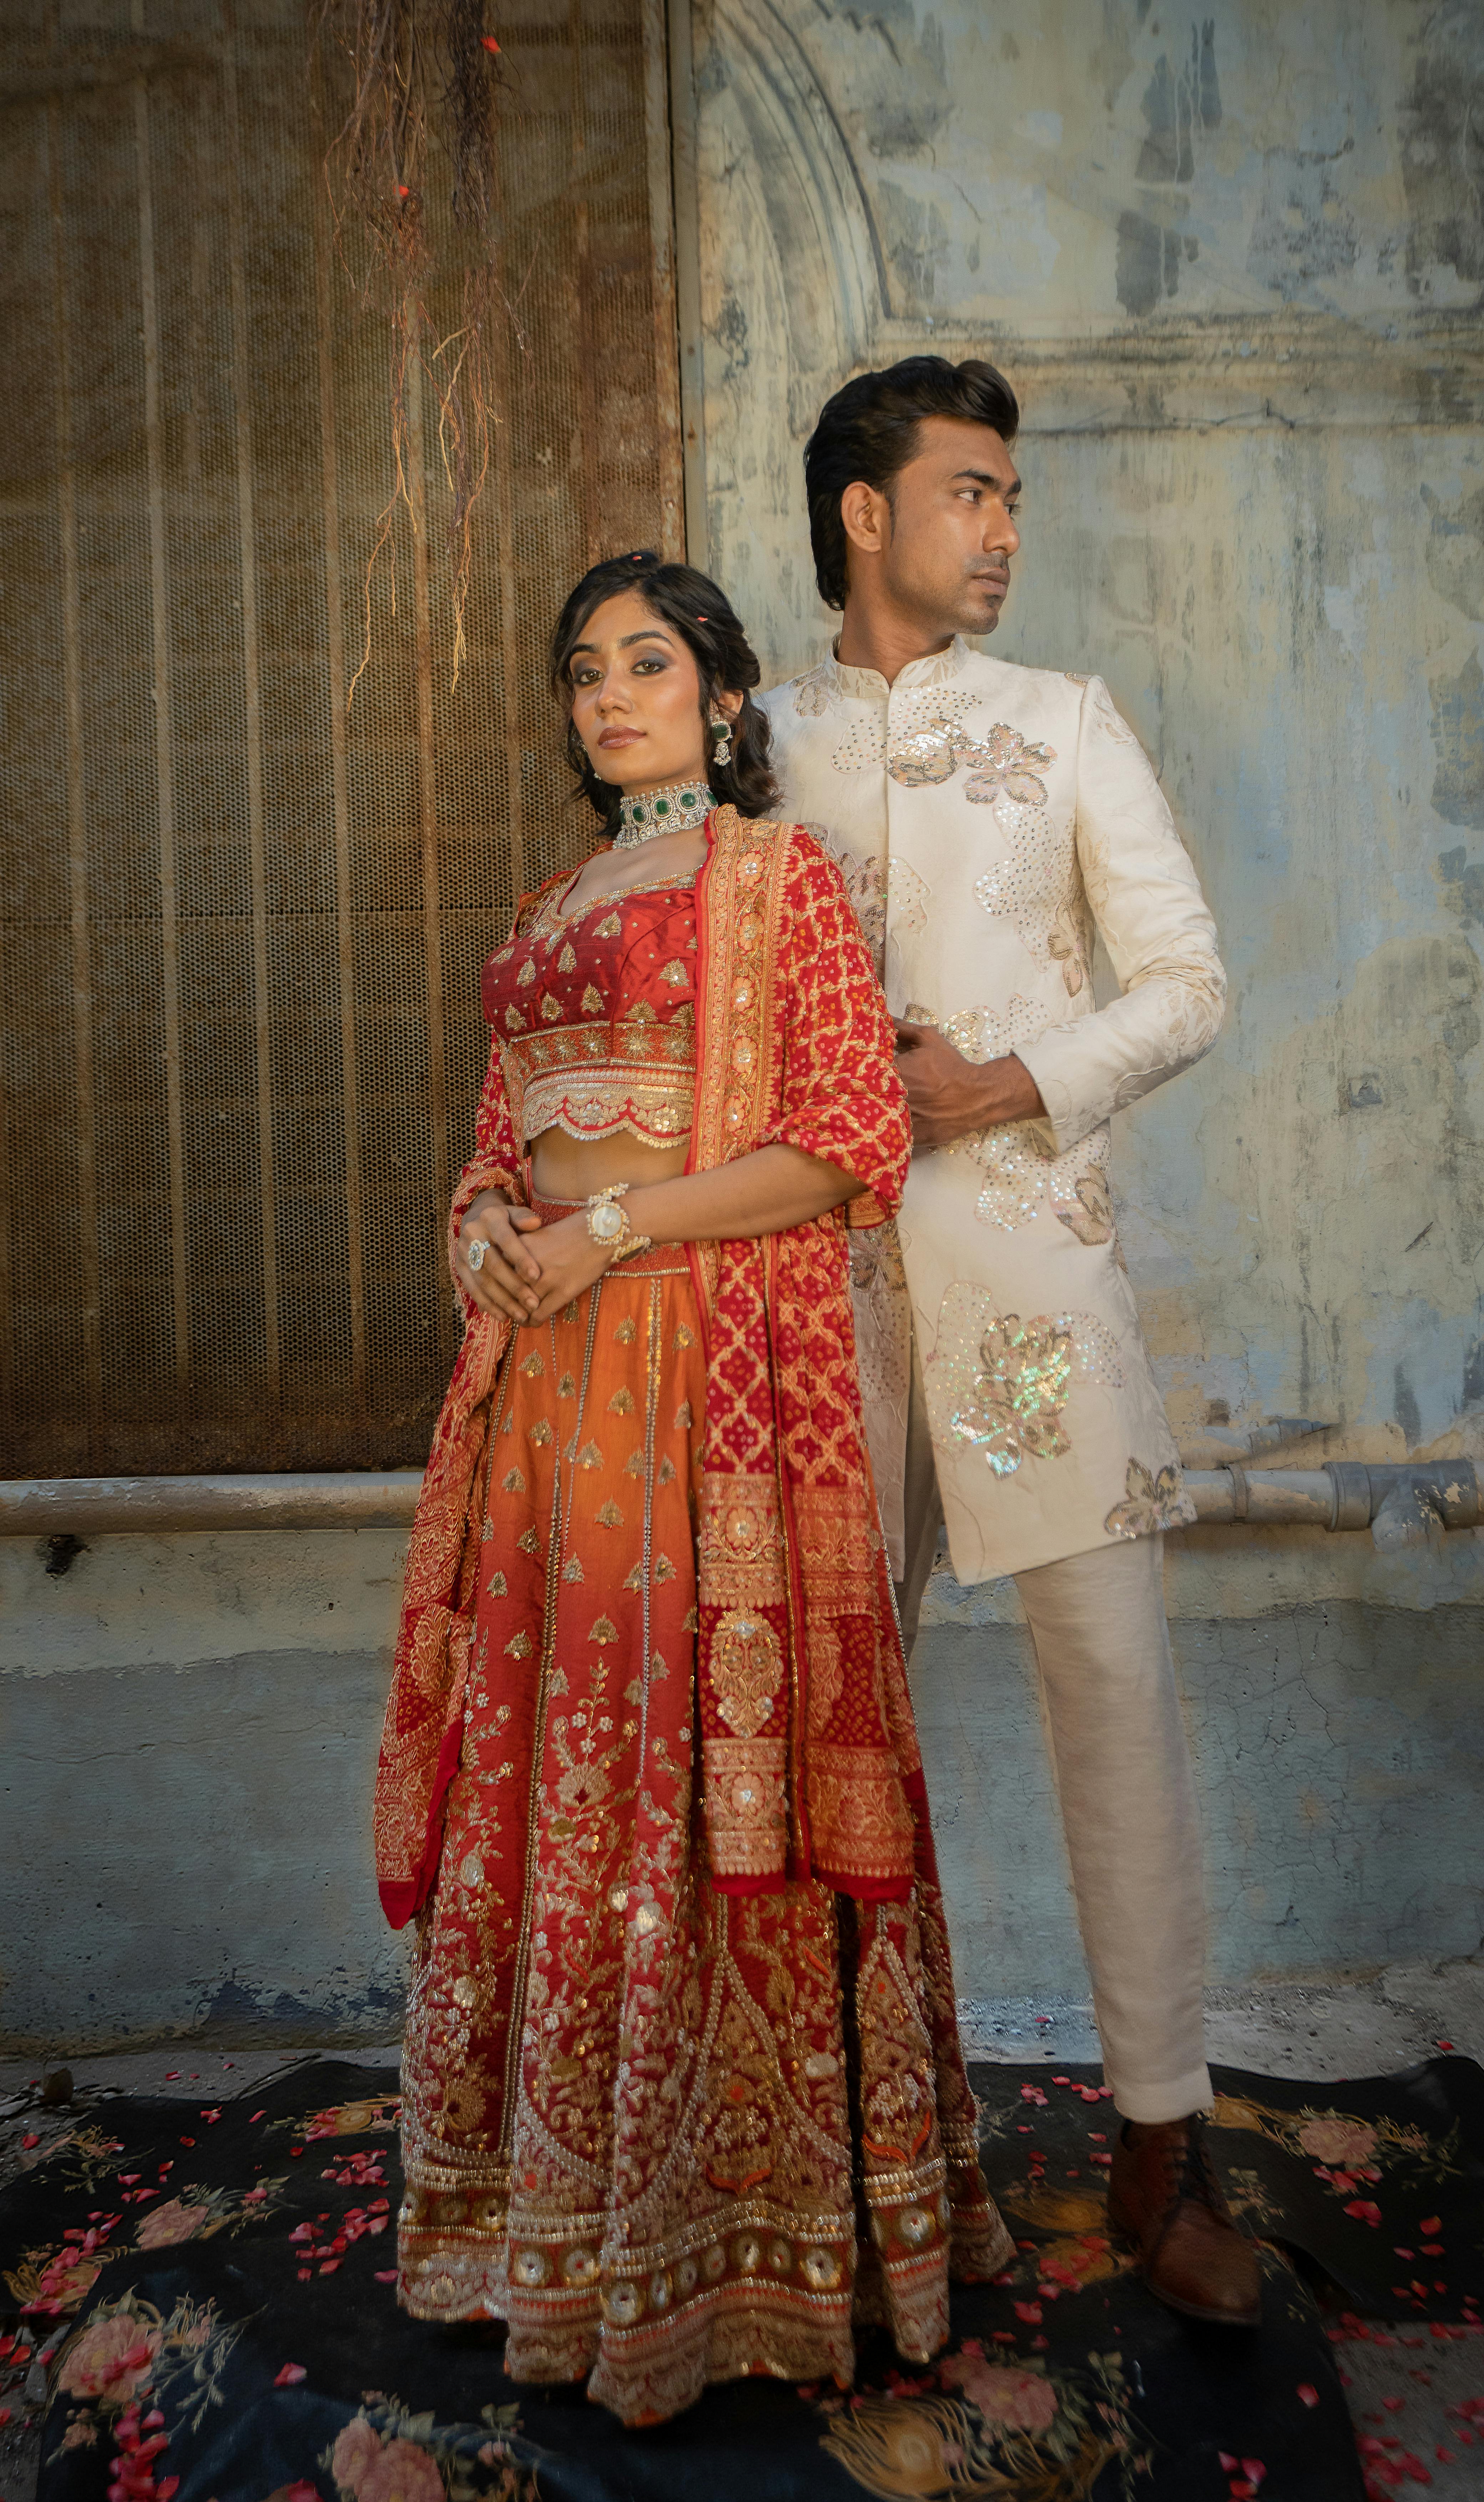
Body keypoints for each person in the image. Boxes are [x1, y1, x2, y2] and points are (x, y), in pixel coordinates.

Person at [371, 551, 1011, 2426]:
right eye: (583, 672)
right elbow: (499, 1145)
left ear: (725, 697)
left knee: (689, 1762)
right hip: (549, 1408)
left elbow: (845, 1141)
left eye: (647, 663)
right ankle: (540, 2224)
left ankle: (743, 2236)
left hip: (694, 1387)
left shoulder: (774, 879)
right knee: (561, 1767)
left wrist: (614, 1227)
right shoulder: (557, 899)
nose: (608, 696)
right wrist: (487, 1224)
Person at [758, 359, 1257, 2328]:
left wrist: (1012, 1084)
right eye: (973, 492)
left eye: (1014, 497)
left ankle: (1163, 2146)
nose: (1006, 529)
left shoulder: (1064, 727)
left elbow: (1191, 982)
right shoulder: (759, 742)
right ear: (867, 515)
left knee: (1109, 1687)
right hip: (808, 1313)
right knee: (809, 1721)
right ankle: (830, 2145)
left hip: (1025, 1303)